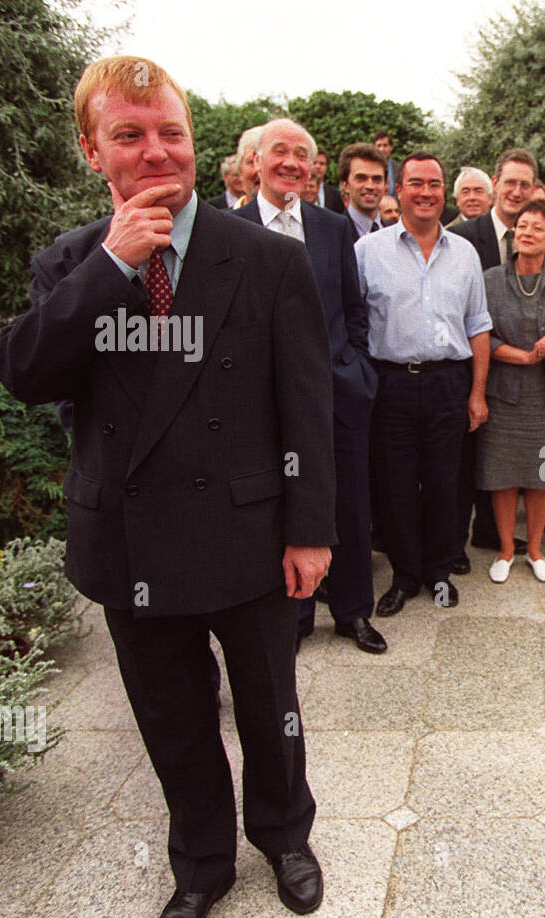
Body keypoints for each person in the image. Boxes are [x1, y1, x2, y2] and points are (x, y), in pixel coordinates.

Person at [0, 55, 333, 918]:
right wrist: (110, 264)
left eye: (171, 134)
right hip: (132, 546)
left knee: (271, 707)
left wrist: (311, 529)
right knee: (174, 720)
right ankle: (202, 865)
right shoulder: (70, 262)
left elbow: (307, 406)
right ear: (90, 152)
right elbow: (26, 373)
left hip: (249, 534)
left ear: (195, 144)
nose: (156, 153)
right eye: (130, 135)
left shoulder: (266, 259)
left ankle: (285, 835)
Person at [232, 118, 384, 655]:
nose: (291, 163)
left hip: (337, 392)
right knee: (284, 507)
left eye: (302, 153)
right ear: (256, 161)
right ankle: (294, 617)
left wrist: (357, 367)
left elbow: (354, 306)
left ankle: (352, 611)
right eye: (280, 152)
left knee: (348, 502)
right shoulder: (231, 227)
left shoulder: (332, 228)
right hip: (263, 403)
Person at [356, 152, 492, 615]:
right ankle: (404, 576)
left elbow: (478, 325)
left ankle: (437, 572)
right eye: (416, 183)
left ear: (443, 191)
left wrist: (476, 393)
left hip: (447, 384)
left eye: (435, 183)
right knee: (394, 486)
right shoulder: (367, 252)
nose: (427, 192)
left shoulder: (465, 254)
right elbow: (354, 322)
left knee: (442, 484)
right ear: (400, 191)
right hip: (390, 385)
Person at [477, 199, 545, 582]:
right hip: (503, 391)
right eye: (521, 226)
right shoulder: (490, 279)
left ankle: (535, 550)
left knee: (542, 475)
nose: (527, 233)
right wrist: (521, 357)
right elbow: (481, 334)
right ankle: (506, 550)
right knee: (503, 473)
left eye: (537, 228)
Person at [450, 148, 540, 561]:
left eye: (525, 184)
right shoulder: (465, 236)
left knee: (501, 455)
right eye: (510, 183)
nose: (516, 191)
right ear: (495, 185)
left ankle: (491, 531)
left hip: (520, 369)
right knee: (465, 457)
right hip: (471, 365)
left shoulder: (538, 236)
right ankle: (455, 543)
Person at [337, 142, 386, 240]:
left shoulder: (396, 232)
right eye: (361, 178)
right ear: (345, 185)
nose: (370, 186)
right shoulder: (332, 233)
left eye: (377, 179)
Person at [311, 147, 344, 213]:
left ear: (326, 167)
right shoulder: (299, 191)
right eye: (314, 163)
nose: (318, 166)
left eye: (322, 163)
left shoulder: (336, 195)